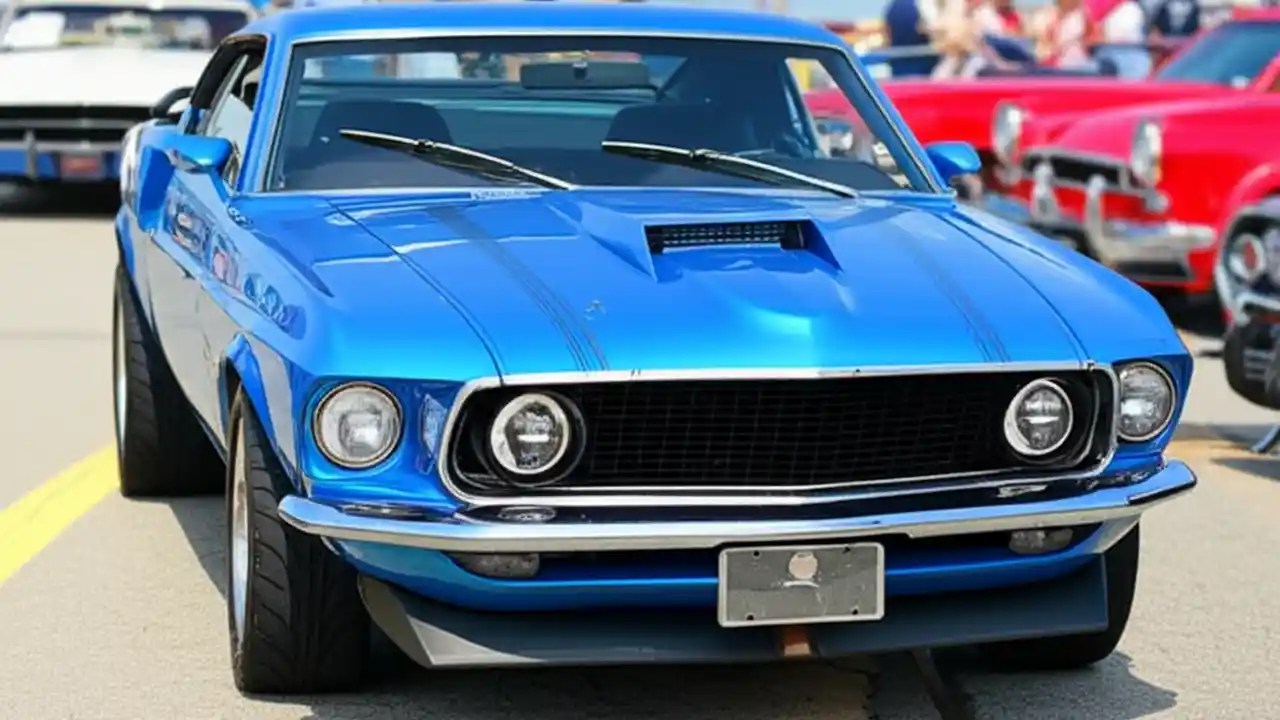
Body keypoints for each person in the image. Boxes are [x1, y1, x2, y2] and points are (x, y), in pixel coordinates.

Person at [882, 0, 939, 77]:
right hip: (923, 67)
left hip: (899, 67)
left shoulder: (894, 7)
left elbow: (888, 35)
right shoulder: (922, 7)